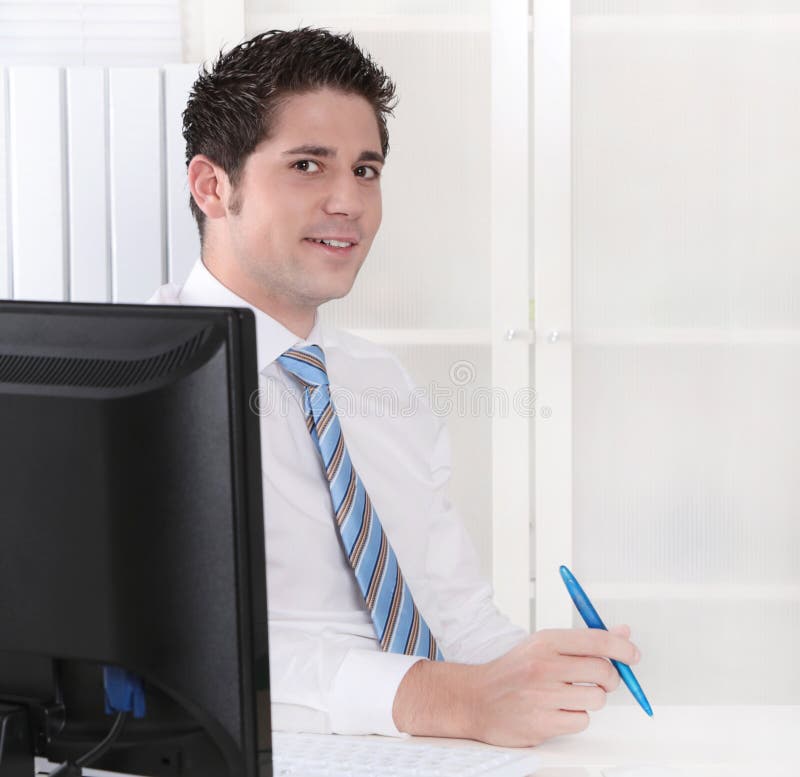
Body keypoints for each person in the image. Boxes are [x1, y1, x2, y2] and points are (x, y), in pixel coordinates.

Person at [150, 27, 641, 747]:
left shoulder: (378, 382)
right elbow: (167, 659)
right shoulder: (141, 384)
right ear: (212, 185)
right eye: (309, 164)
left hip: (430, 753)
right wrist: (448, 700)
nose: (348, 200)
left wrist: (546, 673)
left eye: (367, 169)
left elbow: (458, 615)